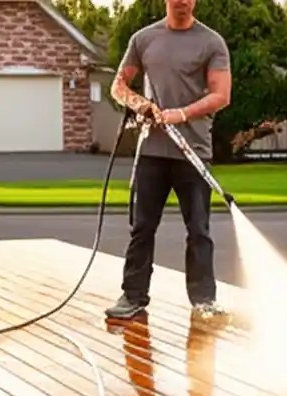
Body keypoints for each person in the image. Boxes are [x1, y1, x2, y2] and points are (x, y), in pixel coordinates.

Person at [104, 0, 232, 321]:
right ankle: (132, 297)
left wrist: (182, 114)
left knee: (199, 230)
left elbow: (221, 95)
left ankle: (204, 300)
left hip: (193, 153)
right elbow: (118, 86)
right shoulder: (143, 39)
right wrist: (140, 104)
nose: (182, 1)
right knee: (143, 227)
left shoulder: (211, 42)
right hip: (151, 152)